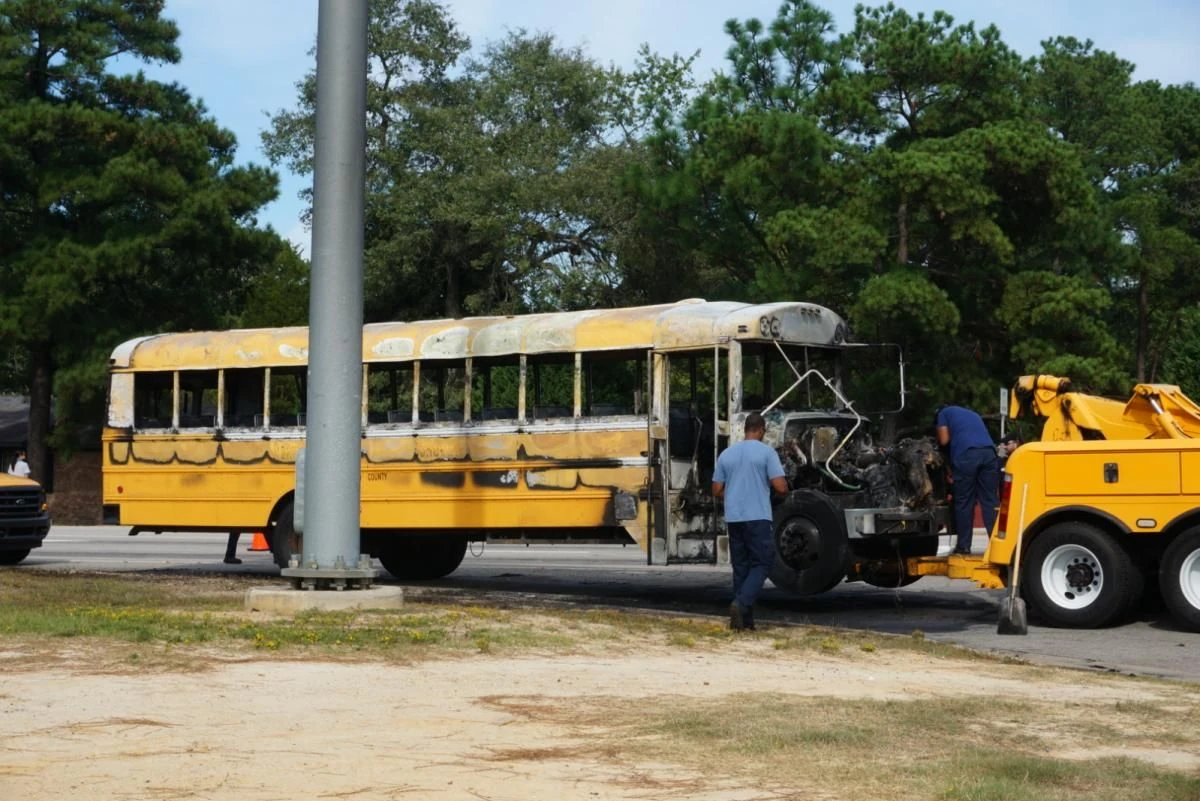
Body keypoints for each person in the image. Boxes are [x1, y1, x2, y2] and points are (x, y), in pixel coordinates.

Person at [712, 412, 789, 631]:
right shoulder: (767, 453)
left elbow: (716, 489)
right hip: (758, 517)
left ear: (745, 429)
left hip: (734, 517)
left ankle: (745, 623)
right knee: (763, 563)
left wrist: (735, 494)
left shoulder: (727, 454)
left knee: (741, 567)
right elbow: (780, 486)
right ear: (762, 430)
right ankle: (741, 603)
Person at [935, 405, 999, 555]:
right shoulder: (973, 413)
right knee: (990, 501)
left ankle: (963, 546)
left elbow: (944, 440)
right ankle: (997, 546)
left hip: (967, 455)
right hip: (989, 453)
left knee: (964, 502)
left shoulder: (943, 413)